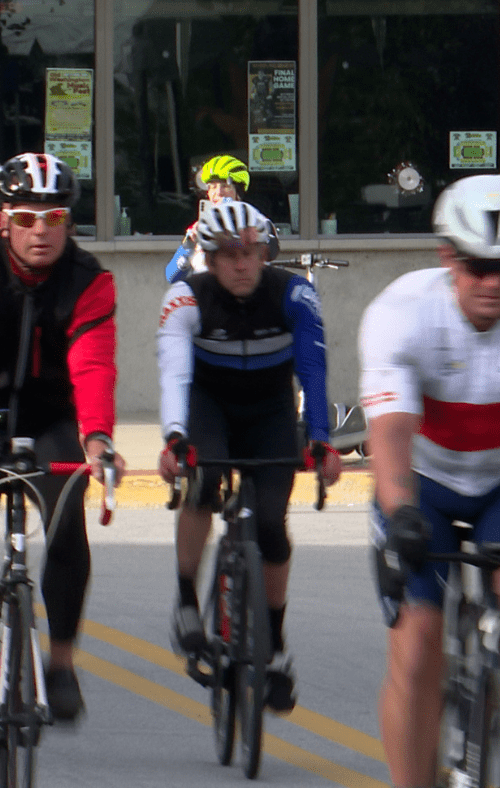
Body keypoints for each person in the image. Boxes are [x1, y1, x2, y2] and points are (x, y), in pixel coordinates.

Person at [0, 152, 126, 760]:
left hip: (53, 420)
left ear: (69, 222)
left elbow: (92, 365)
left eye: (55, 216)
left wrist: (98, 440)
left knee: (65, 524)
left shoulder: (90, 280)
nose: (42, 230)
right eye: (28, 217)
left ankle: (60, 663)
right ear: (4, 219)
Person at [156, 199, 340, 714]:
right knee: (202, 476)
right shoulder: (186, 297)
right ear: (210, 260)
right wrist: (174, 439)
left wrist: (320, 439)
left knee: (272, 528)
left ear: (264, 253)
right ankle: (187, 600)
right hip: (208, 405)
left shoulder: (294, 294)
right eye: (229, 254)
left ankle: (275, 644)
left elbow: (313, 367)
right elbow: (175, 373)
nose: (241, 263)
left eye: (251, 252)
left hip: (269, 411)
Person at [359, 174, 500, 788]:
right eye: (477, 267)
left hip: (497, 484)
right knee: (417, 646)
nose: (492, 283)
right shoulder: (403, 311)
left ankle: (480, 718)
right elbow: (389, 433)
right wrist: (402, 515)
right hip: (423, 487)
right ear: (448, 259)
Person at [164, 154, 279, 283]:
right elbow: (171, 277)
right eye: (212, 187)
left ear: (238, 191)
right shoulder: (200, 227)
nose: (218, 192)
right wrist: (189, 245)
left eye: (225, 186)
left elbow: (272, 252)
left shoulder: (258, 221)